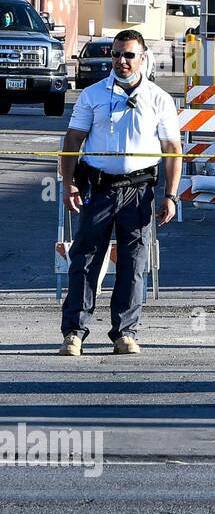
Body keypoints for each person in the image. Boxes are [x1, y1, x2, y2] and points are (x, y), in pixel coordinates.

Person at [58, 29, 181, 356]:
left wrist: (171, 195)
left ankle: (124, 333)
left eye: (128, 55)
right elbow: (72, 141)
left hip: (139, 192)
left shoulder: (159, 98)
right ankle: (74, 333)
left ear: (142, 58)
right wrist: (68, 182)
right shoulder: (93, 95)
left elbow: (172, 148)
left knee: (134, 262)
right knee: (84, 260)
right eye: (116, 54)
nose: (121, 61)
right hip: (98, 189)